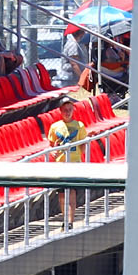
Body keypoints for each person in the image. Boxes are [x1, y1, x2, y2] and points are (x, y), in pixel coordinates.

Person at [46, 96, 87, 227]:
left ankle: (70, 220)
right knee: (62, 193)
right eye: (65, 110)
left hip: (74, 163)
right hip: (61, 164)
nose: (67, 112)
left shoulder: (79, 126)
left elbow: (83, 144)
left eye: (70, 109)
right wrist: (53, 151)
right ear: (60, 111)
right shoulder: (55, 127)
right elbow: (52, 144)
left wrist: (78, 156)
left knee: (72, 192)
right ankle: (65, 218)